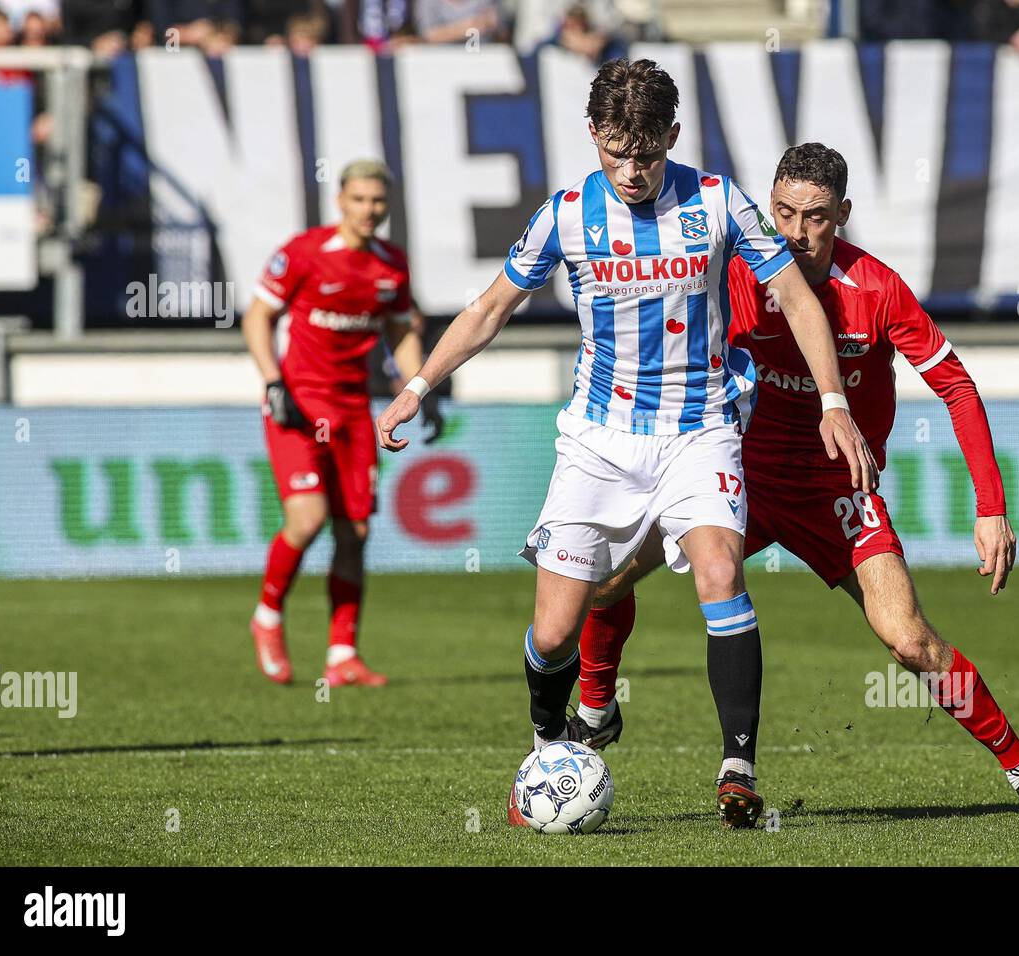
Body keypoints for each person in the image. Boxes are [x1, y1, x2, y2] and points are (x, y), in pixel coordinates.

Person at [375, 59, 875, 828]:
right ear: (593, 137)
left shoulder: (716, 202)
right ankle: (554, 746)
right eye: (615, 151)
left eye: (645, 152)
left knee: (719, 571)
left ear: (672, 136)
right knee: (552, 632)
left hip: (698, 430)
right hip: (599, 442)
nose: (632, 169)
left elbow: (796, 299)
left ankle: (737, 767)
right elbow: (488, 309)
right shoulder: (567, 214)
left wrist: (833, 401)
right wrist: (417, 387)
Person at [569, 143, 1019, 822]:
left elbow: (955, 385)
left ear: (841, 214)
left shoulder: (876, 289)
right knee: (599, 578)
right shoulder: (736, 273)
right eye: (782, 212)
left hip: (838, 493)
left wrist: (991, 507)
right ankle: (599, 711)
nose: (795, 232)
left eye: (814, 217)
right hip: (735, 479)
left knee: (909, 639)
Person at [241, 159, 434, 688]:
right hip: (299, 404)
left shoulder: (391, 266)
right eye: (360, 199)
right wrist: (271, 381)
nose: (370, 210)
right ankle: (267, 615)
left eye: (378, 201)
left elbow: (401, 333)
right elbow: (258, 317)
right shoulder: (303, 253)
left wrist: (418, 389)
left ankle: (342, 654)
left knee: (356, 531)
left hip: (352, 409)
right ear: (340, 201)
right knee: (307, 519)